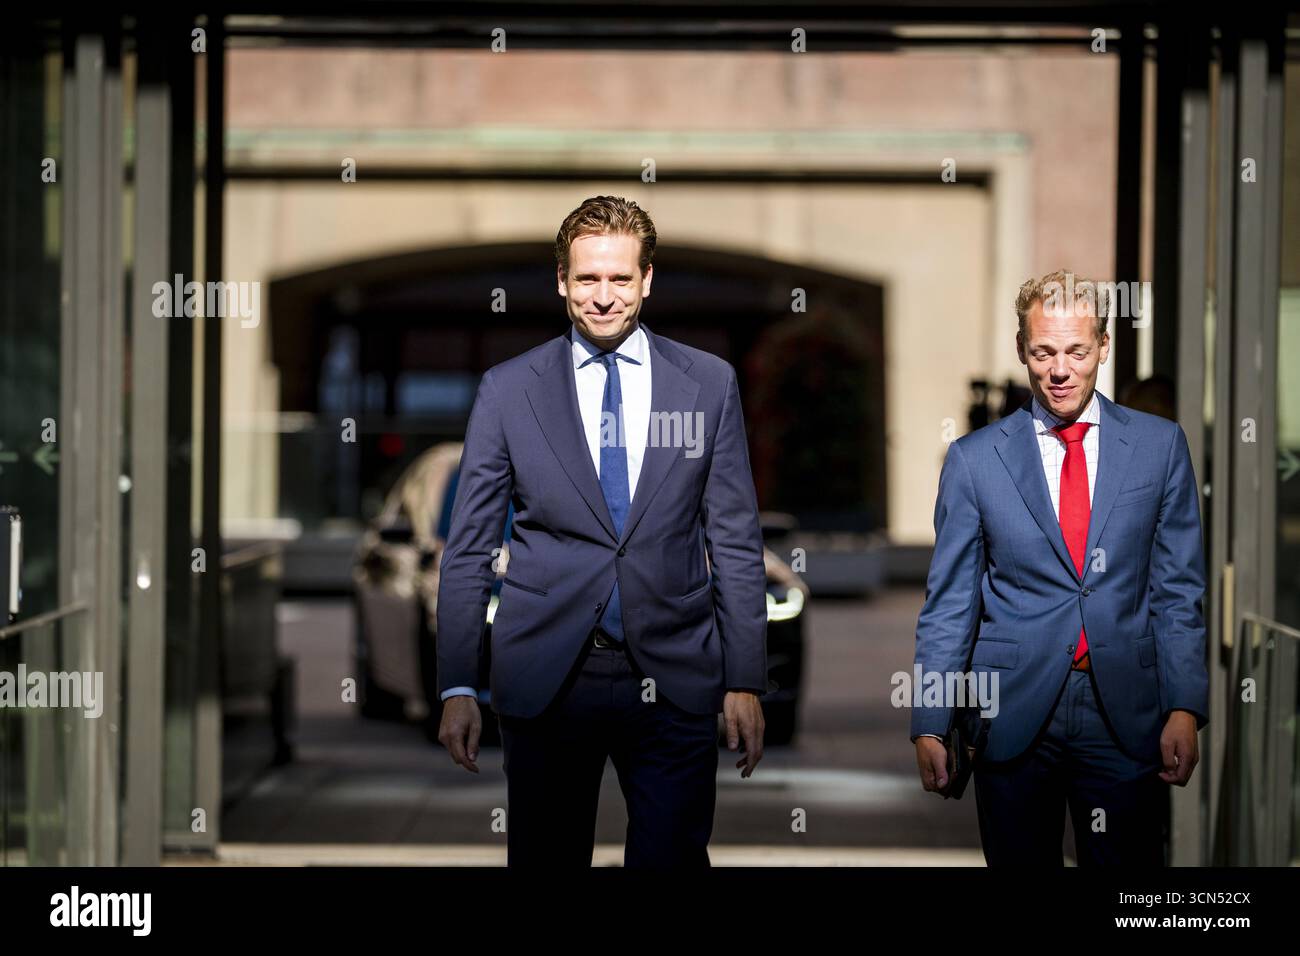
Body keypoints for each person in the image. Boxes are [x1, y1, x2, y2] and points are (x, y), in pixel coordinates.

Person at [436, 195, 768, 867]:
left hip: (672, 677)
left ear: (648, 279)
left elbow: (733, 540)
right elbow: (469, 548)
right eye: (587, 279)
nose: (604, 296)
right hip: (546, 679)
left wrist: (745, 678)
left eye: (620, 279)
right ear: (561, 280)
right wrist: (458, 684)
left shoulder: (707, 384)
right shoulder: (508, 391)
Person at [911, 269, 1209, 865]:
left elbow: (1177, 591)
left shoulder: (1160, 447)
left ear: (1103, 346)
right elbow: (950, 602)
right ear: (1022, 350)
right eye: (1043, 351)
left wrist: (1184, 705)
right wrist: (929, 718)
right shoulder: (975, 461)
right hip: (1012, 714)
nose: (1059, 369)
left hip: (1124, 710)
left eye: (1076, 350)